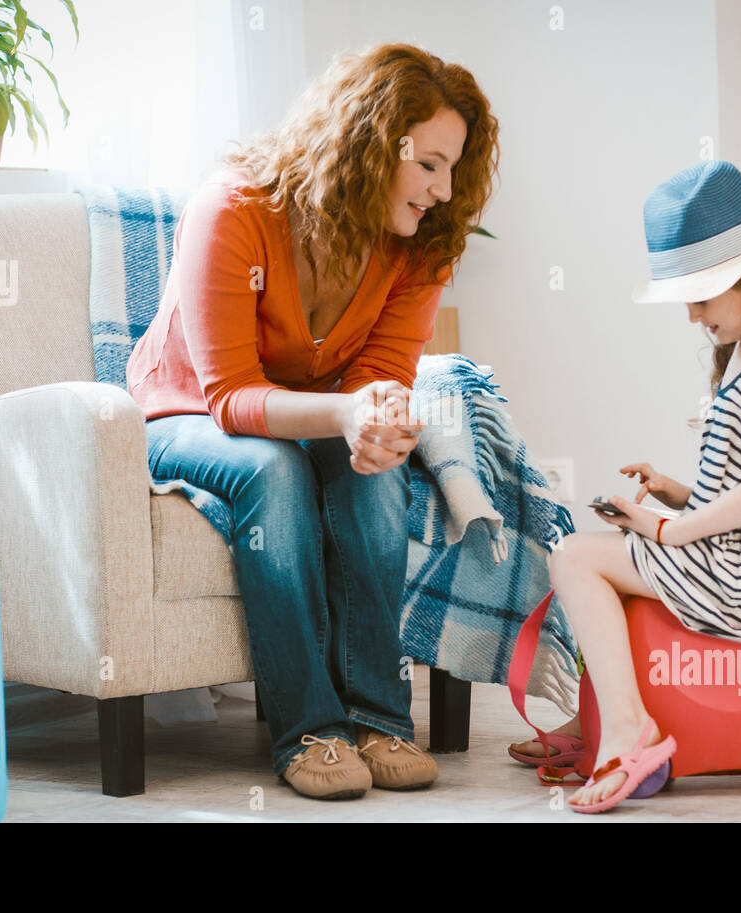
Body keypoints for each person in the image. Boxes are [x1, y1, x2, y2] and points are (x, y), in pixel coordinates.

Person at [127, 43, 498, 800]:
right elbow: (230, 396)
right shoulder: (233, 210)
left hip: (302, 409)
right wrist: (346, 411)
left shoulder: (421, 246)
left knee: (372, 472)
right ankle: (309, 730)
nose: (442, 188)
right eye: (428, 163)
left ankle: (378, 717)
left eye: (452, 168)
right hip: (183, 410)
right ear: (370, 140)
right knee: (275, 470)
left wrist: (376, 419)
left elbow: (381, 371)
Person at [509, 160, 741, 813]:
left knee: (573, 555)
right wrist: (673, 491)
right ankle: (605, 713)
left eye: (701, 295)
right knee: (594, 555)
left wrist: (664, 530)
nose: (691, 314)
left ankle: (631, 728)